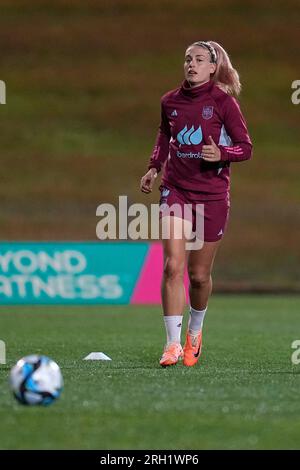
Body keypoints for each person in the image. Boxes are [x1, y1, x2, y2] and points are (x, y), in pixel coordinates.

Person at [140, 41, 252, 367]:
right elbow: (165, 134)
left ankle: (195, 332)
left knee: (199, 275)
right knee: (172, 266)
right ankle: (172, 344)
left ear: (212, 67)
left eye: (199, 59)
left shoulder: (223, 103)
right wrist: (153, 167)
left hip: (213, 196)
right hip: (175, 190)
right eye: (188, 59)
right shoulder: (169, 101)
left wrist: (223, 153)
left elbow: (246, 147)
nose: (191, 64)